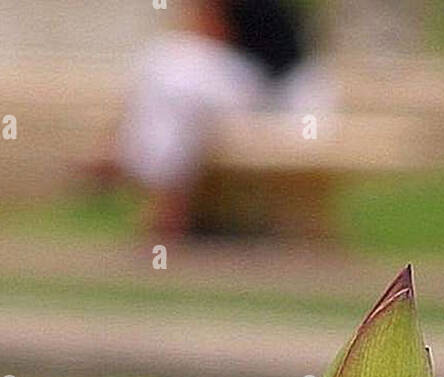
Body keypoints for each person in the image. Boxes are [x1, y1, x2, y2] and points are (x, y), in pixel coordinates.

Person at [116, 0, 329, 239]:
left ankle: (167, 208)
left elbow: (212, 34)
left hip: (284, 99)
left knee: (170, 67)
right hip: (257, 95)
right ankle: (168, 206)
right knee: (168, 67)